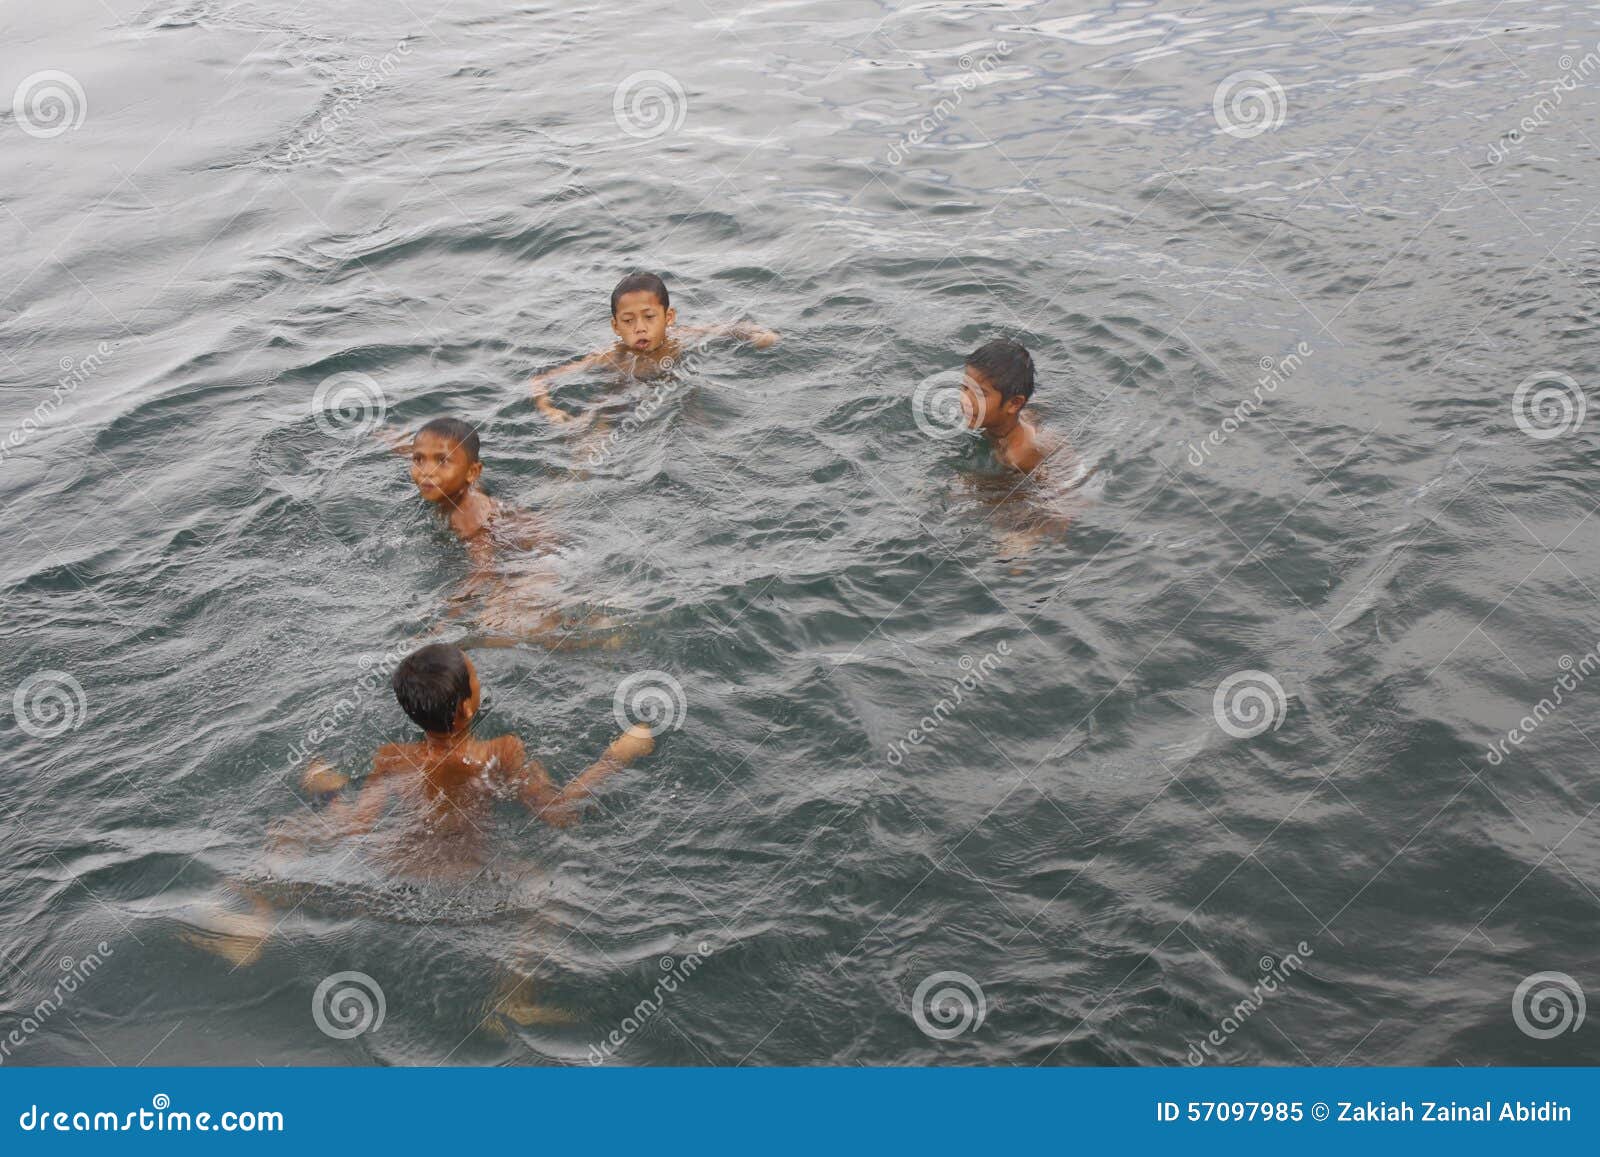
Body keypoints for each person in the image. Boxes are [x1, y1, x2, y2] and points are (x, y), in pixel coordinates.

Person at [181, 644, 655, 968]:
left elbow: (355, 825)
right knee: (543, 897)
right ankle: (516, 997)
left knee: (288, 831)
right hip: (463, 873)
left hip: (388, 860)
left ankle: (257, 919)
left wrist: (327, 792)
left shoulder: (393, 757)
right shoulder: (501, 752)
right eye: (475, 675)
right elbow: (558, 811)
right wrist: (616, 757)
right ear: (469, 706)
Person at [529, 272, 779, 423]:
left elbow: (730, 328)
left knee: (696, 420)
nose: (639, 327)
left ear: (668, 318)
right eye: (628, 321)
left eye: (649, 317)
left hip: (675, 395)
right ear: (615, 326)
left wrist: (759, 335)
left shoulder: (681, 338)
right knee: (591, 441)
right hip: (616, 404)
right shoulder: (611, 356)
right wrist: (548, 409)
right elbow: (541, 380)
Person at [960, 338, 1049, 474]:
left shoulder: (1018, 457)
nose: (966, 400)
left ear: (1014, 404)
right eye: (965, 387)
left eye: (981, 394)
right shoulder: (999, 424)